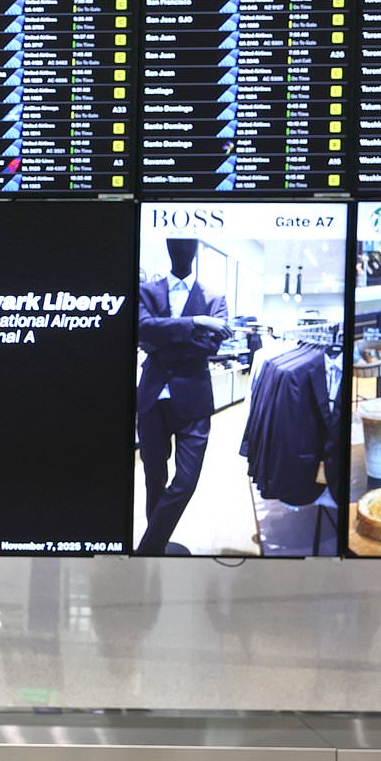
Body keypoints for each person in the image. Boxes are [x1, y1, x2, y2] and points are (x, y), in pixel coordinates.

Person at [136, 237, 229, 556]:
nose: (181, 249)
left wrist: (161, 341)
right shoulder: (147, 291)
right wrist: (196, 323)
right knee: (153, 477)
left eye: (187, 243)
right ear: (167, 247)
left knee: (186, 482)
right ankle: (157, 549)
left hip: (194, 400)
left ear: (196, 249)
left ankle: (148, 548)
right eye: (175, 243)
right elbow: (141, 329)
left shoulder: (215, 297)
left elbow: (211, 345)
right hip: (151, 400)